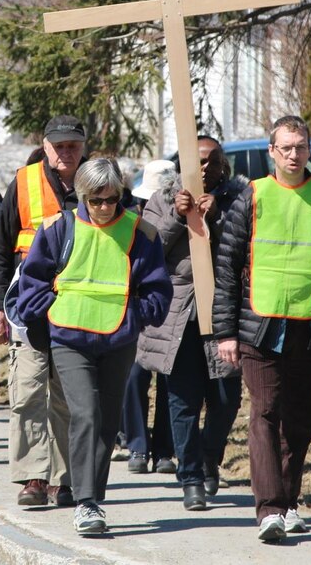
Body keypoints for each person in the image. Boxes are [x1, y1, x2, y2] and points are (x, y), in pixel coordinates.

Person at [213, 115, 311, 542]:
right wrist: (225, 332)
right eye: (285, 147)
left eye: (300, 147)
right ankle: (269, 510)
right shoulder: (251, 198)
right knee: (265, 410)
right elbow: (226, 269)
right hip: (258, 326)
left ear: (309, 150)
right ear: (272, 152)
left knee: (300, 420)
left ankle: (289, 501)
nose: (293, 155)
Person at [14, 158, 172, 536]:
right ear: (82, 196)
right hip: (69, 339)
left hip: (118, 340)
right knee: (84, 413)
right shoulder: (57, 228)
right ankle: (86, 502)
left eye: (111, 199)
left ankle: (91, 496)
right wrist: (52, 310)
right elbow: (31, 284)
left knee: (107, 421)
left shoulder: (141, 233)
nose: (103, 207)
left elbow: (158, 291)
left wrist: (135, 315)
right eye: (95, 200)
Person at [138, 138, 249, 512]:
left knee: (226, 399)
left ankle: (208, 458)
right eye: (197, 161)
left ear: (223, 167)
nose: (203, 168)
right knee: (182, 399)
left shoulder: (238, 200)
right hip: (179, 315)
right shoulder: (161, 200)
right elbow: (147, 251)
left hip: (224, 315)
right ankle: (190, 479)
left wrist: (219, 217)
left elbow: (246, 252)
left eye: (211, 161)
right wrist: (176, 214)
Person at [0, 115, 86, 508]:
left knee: (65, 397)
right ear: (45, 146)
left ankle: (64, 479)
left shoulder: (97, 184)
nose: (66, 152)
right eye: (59, 146)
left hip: (79, 309)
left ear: (83, 146)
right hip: (28, 308)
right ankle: (33, 477)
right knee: (27, 393)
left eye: (73, 145)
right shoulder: (24, 182)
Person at [120, 159, 178, 476]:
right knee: (134, 378)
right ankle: (137, 446)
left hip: (172, 309)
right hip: (136, 310)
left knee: (170, 381)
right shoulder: (129, 220)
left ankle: (165, 450)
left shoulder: (182, 217)